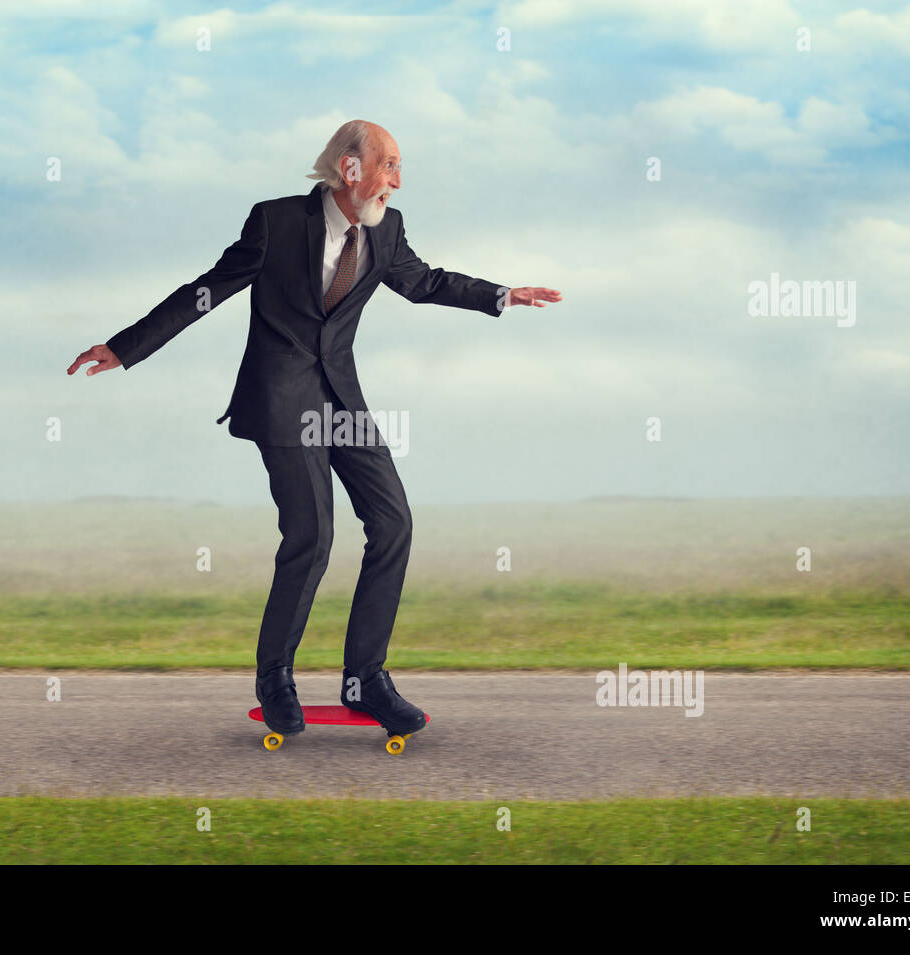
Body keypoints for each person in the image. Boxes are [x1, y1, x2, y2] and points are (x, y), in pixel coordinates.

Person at [68, 120, 561, 738]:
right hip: (281, 398)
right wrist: (125, 347)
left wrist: (502, 295)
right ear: (350, 169)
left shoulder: (388, 230)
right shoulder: (276, 223)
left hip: (341, 400)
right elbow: (207, 291)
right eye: (388, 165)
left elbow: (423, 282)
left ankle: (366, 680)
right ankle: (274, 674)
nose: (397, 181)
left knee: (393, 523)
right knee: (313, 535)